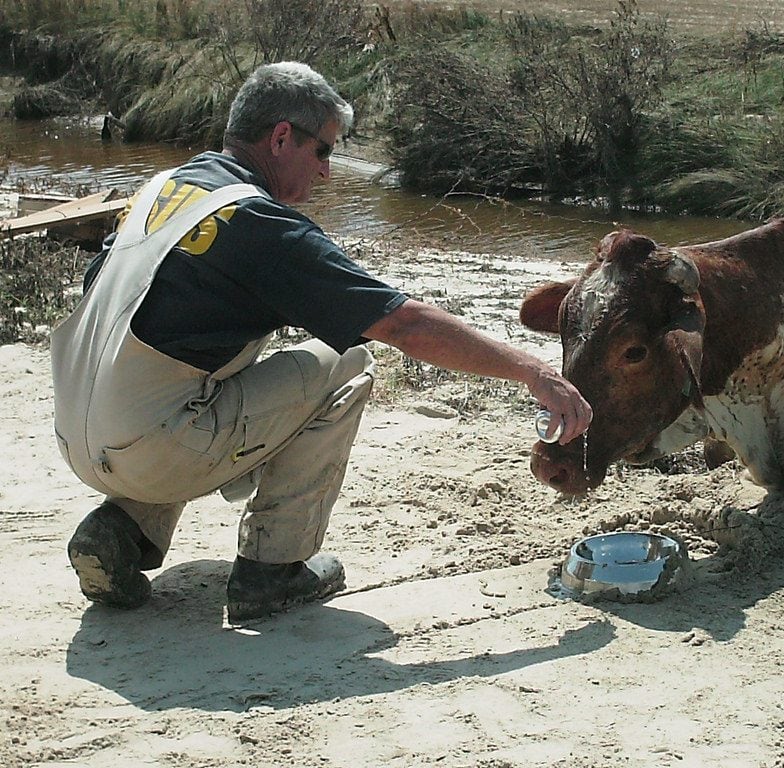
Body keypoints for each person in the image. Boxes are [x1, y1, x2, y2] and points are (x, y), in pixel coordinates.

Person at [51, 61, 592, 623]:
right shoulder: (259, 222)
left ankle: (122, 528)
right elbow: (403, 324)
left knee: (205, 373)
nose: (329, 173)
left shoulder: (169, 187)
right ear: (281, 137)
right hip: (151, 447)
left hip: (75, 436)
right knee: (347, 363)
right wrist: (534, 371)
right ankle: (273, 569)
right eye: (325, 151)